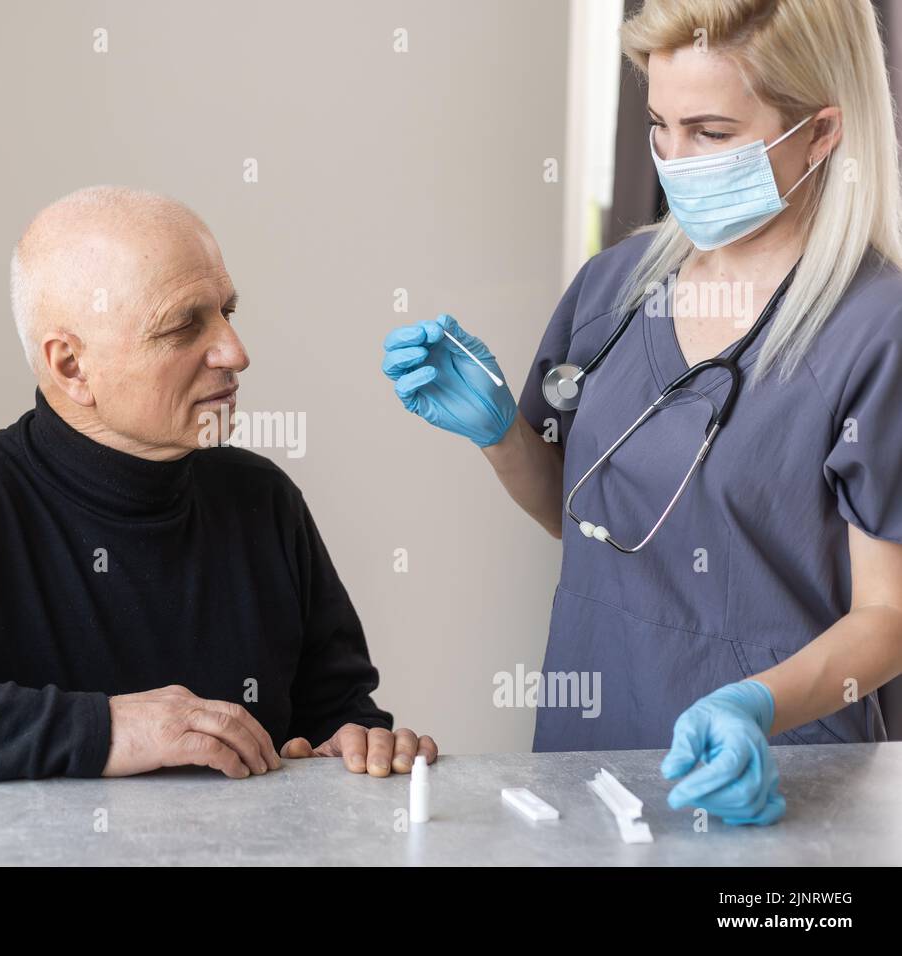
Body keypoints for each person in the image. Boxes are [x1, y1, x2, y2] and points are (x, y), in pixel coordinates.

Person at [382, 0, 902, 825]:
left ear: (823, 131)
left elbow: (889, 615)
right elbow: (585, 515)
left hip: (773, 774)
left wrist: (754, 708)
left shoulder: (878, 329)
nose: (675, 158)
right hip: (584, 758)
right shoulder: (614, 289)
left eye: (713, 132)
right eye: (660, 124)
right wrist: (500, 436)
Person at [0, 185, 436, 782]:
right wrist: (103, 730)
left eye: (228, 311)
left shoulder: (263, 501)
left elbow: (339, 714)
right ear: (70, 367)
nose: (235, 352)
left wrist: (360, 746)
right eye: (184, 326)